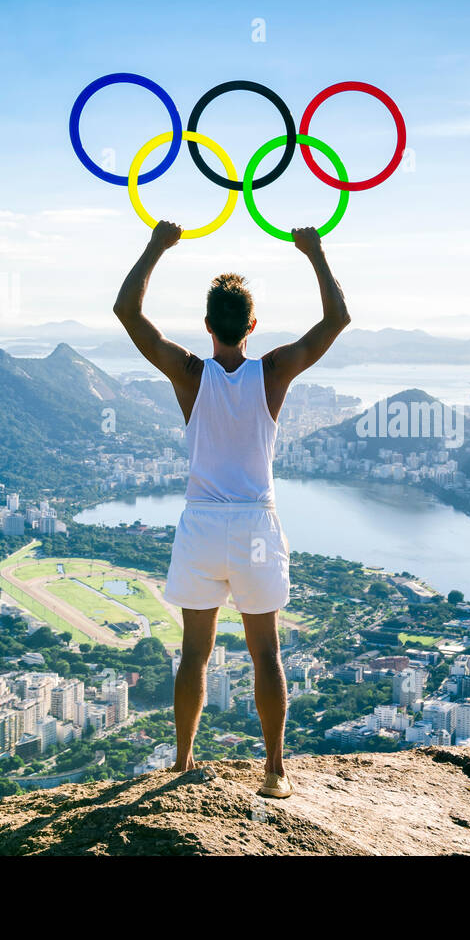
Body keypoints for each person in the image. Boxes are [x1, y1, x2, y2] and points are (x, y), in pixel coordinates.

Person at [112, 219, 350, 798]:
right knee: (265, 654)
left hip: (201, 525)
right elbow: (336, 320)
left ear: (206, 326)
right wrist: (315, 253)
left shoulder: (189, 374)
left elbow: (127, 311)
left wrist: (157, 245)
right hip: (256, 529)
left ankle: (183, 762)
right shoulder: (272, 372)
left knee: (194, 653)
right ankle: (274, 771)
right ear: (252, 326)